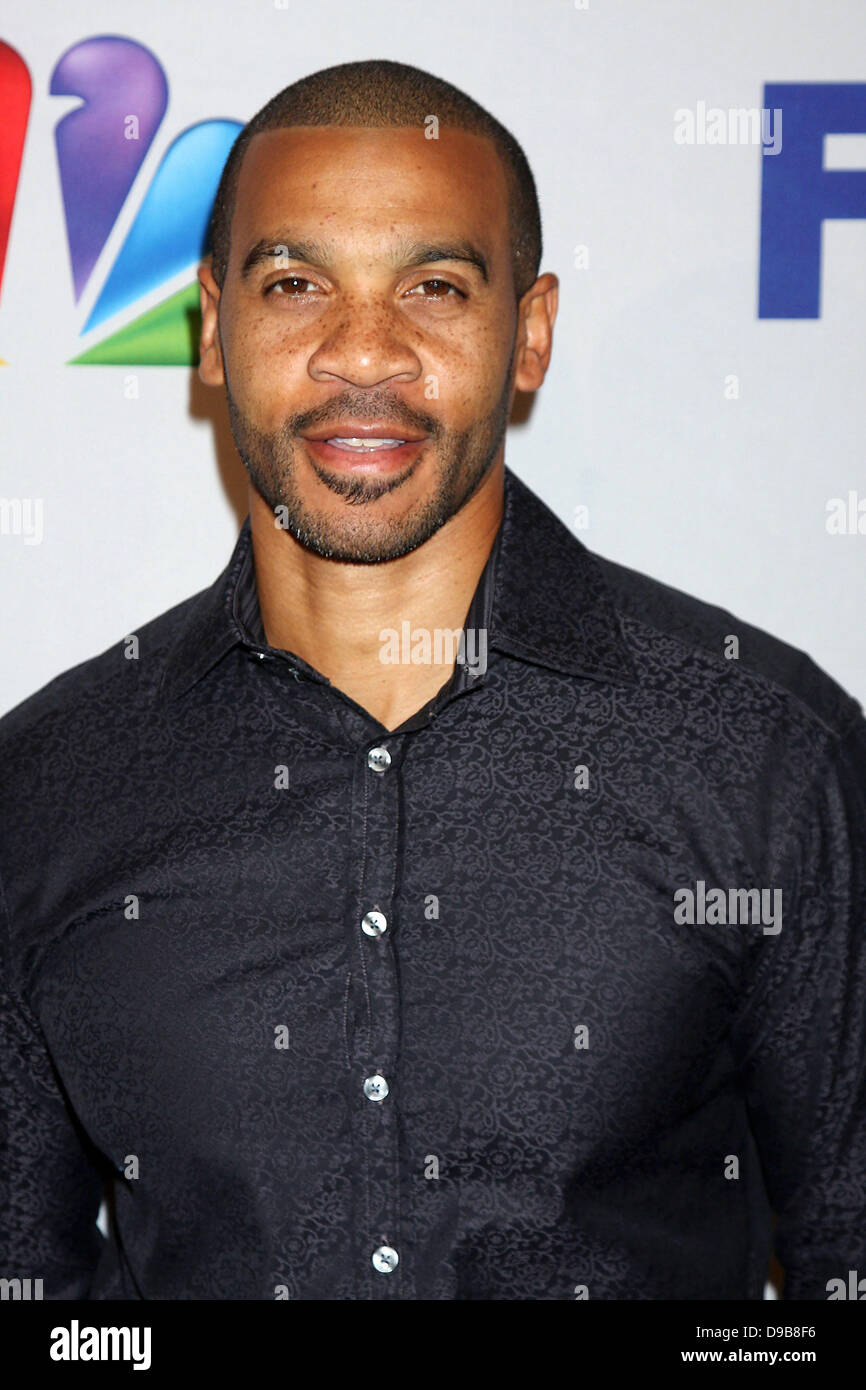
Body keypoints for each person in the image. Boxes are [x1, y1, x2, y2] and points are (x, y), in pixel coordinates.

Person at [1, 58, 864, 1302]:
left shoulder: (762, 756)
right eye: (294, 284)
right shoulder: (47, 787)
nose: (365, 354)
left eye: (434, 286)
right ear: (212, 328)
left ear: (528, 333)